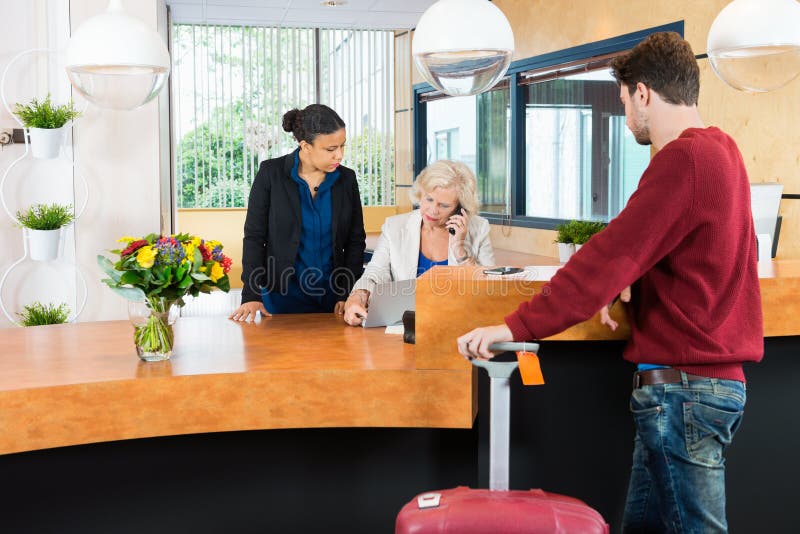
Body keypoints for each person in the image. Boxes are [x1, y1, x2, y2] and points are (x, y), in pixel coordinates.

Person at [457, 32, 763, 534]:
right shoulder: (723, 152)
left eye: (623, 101)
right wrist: (633, 281)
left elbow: (607, 256)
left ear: (643, 93)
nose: (626, 117)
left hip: (682, 392)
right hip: (695, 387)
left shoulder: (681, 160)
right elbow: (695, 251)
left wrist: (515, 325)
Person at [230, 104, 366, 321]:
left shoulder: (346, 179)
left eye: (342, 146)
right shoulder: (271, 174)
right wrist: (251, 294)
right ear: (306, 146)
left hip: (334, 299)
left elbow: (355, 240)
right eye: (331, 149)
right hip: (281, 297)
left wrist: (347, 292)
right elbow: (255, 237)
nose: (339, 155)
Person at [343, 160, 495, 326]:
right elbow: (376, 272)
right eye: (429, 199)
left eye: (444, 205)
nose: (433, 210)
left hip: (458, 324)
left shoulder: (478, 229)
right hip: (405, 325)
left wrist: (460, 250)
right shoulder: (395, 226)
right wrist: (358, 295)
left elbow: (489, 291)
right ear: (420, 193)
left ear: (460, 208)